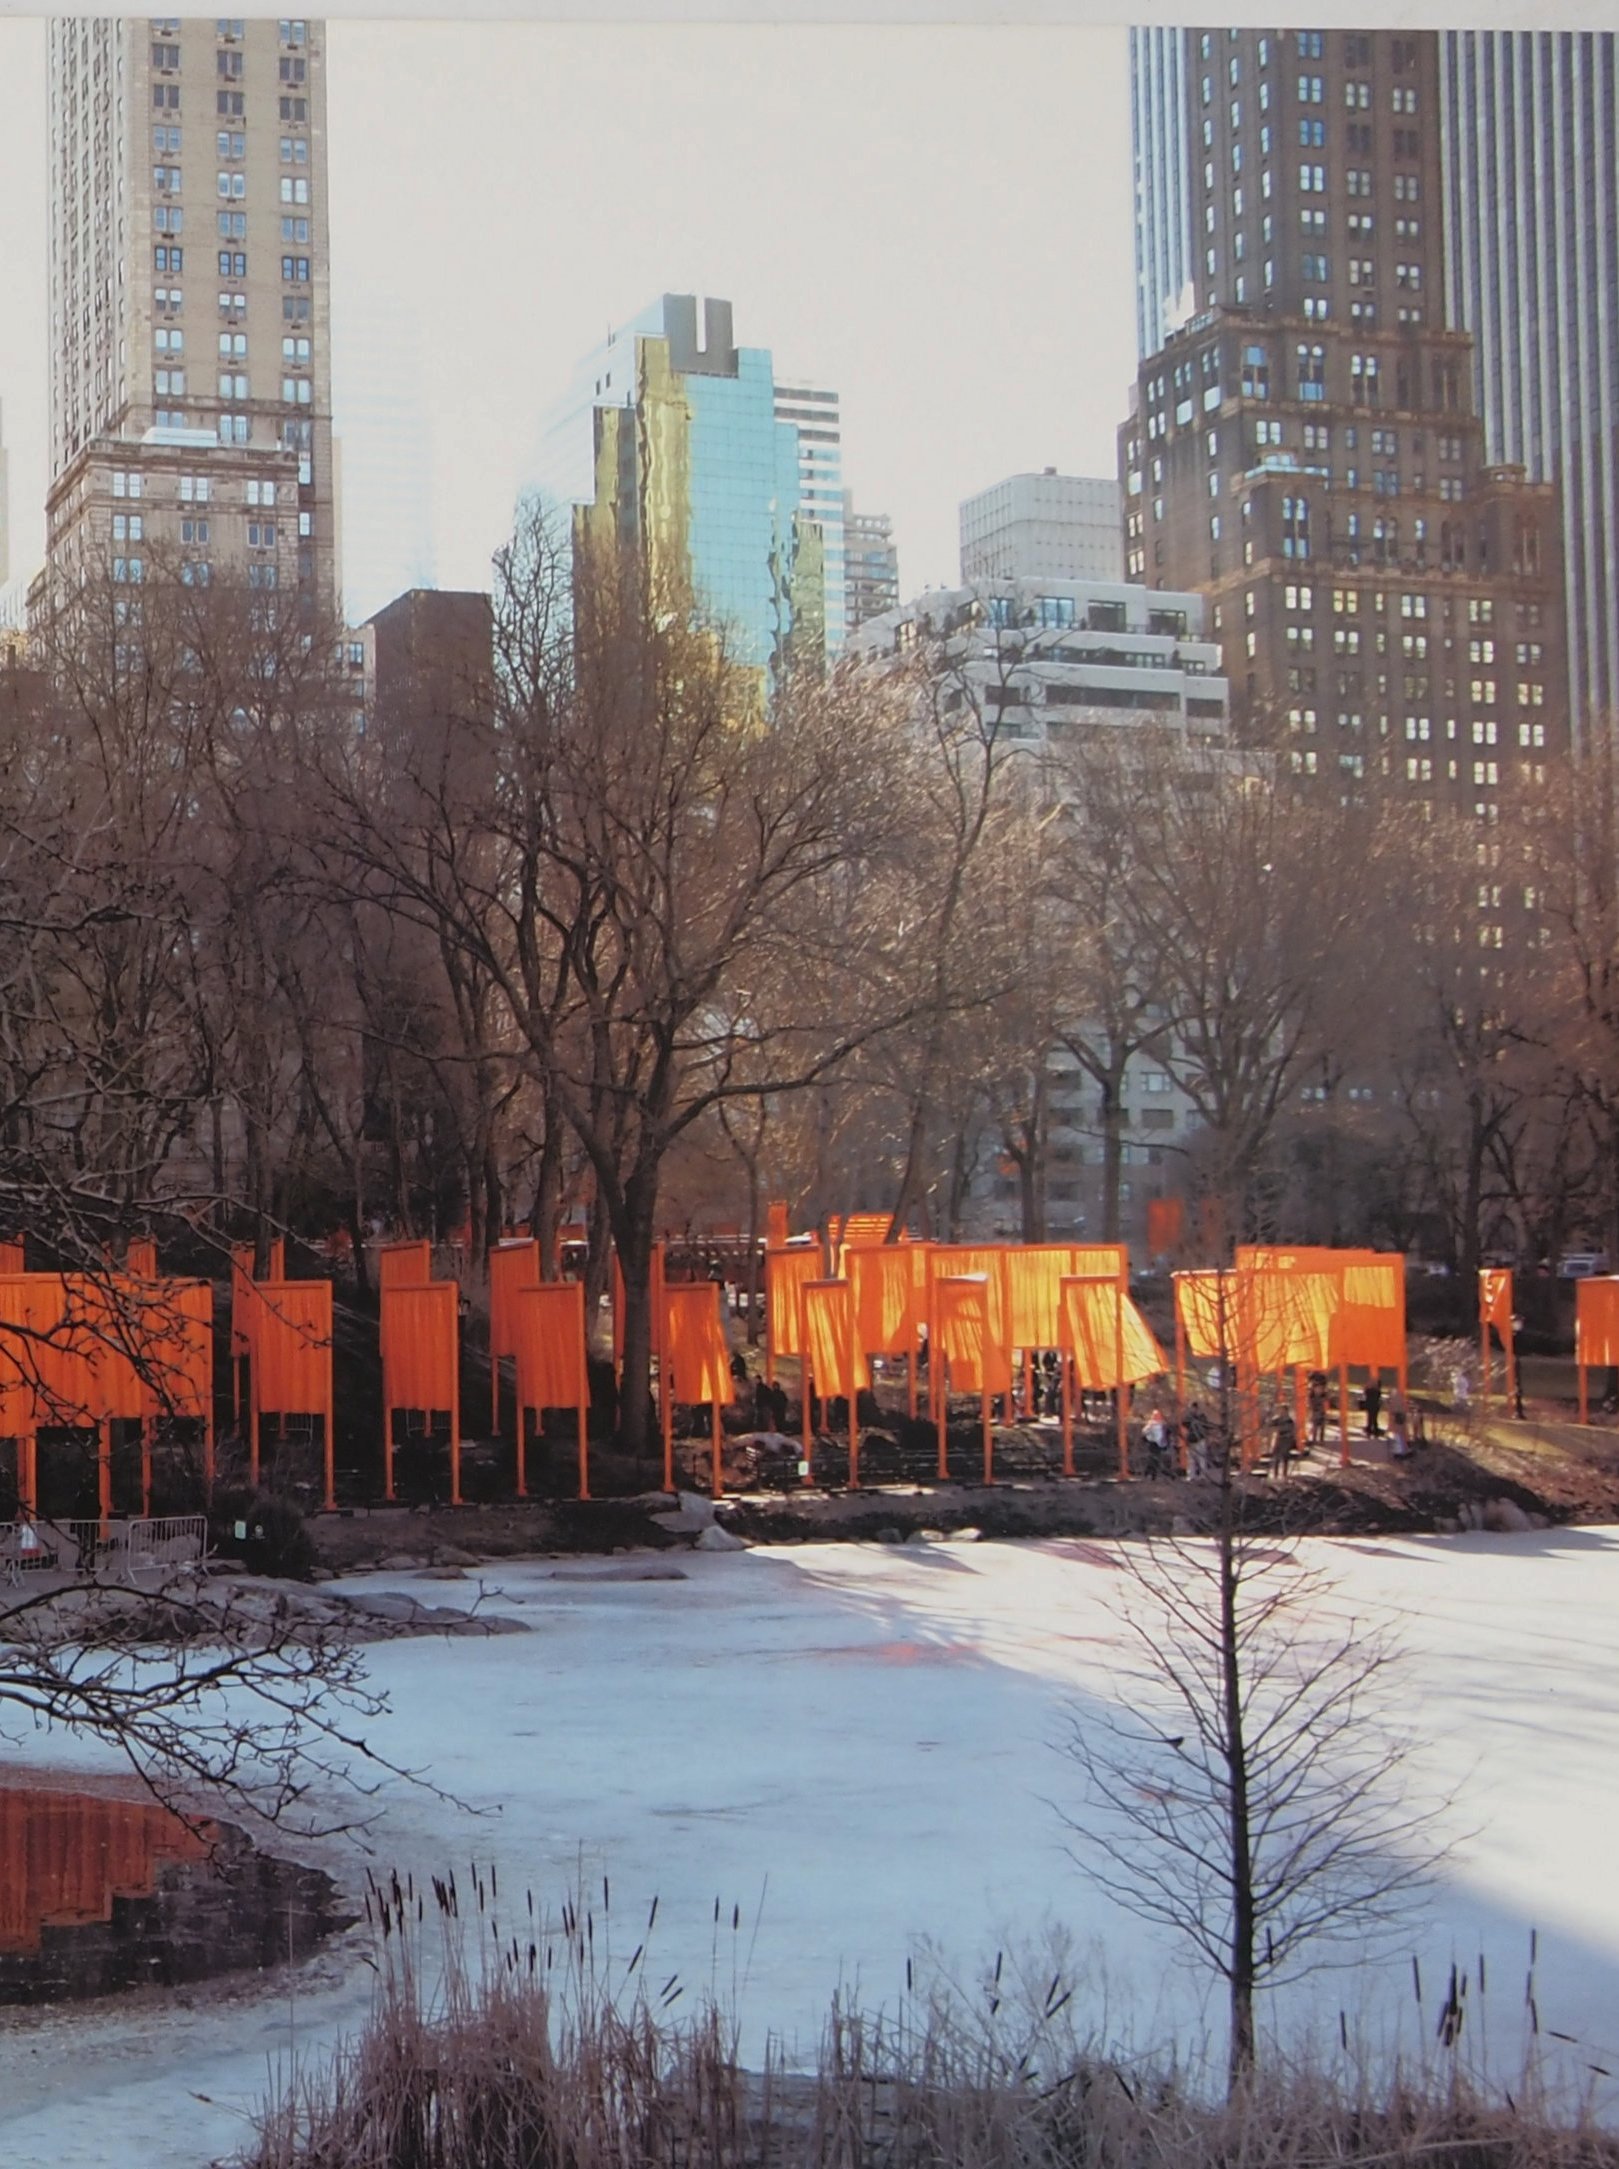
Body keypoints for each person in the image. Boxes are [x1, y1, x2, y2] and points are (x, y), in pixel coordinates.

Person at [1142, 1406, 1170, 1480]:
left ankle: (1150, 1473)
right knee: (1154, 1459)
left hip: (1156, 1444)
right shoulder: (1154, 1424)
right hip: (1154, 1444)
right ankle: (1150, 1474)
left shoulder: (1159, 1425)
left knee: (1154, 1459)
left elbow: (1145, 1432)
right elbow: (1145, 1432)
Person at [1270, 1407, 1298, 1479]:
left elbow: (1291, 1431)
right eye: (1280, 1410)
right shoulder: (1277, 1419)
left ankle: (1284, 1475)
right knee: (1276, 1457)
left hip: (1286, 1440)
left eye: (1283, 1410)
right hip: (1278, 1439)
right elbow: (1270, 1425)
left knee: (1285, 1457)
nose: (1281, 1412)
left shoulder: (1289, 1421)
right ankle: (1275, 1475)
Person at [1184, 1403, 1210, 1479]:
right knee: (1191, 1460)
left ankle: (1203, 1476)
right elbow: (1184, 1422)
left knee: (1201, 1459)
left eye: (1194, 1408)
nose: (1193, 1410)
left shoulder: (1202, 1417)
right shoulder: (1189, 1417)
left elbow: (1205, 1426)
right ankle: (1191, 1475)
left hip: (1200, 1440)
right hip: (1191, 1440)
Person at [1306, 1370, 1329, 1452]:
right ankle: (1315, 1439)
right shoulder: (1312, 1395)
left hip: (1321, 1410)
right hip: (1315, 1410)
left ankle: (1321, 1439)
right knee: (1315, 1425)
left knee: (1322, 1425)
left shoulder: (1323, 1394)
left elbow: (1325, 1401)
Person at [1362, 1371, 1383, 1440]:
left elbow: (1365, 1391)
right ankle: (1375, 1429)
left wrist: (1367, 1386)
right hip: (1375, 1406)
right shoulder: (1377, 1392)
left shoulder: (1369, 1391)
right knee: (1374, 1418)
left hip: (1370, 1405)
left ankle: (1369, 1429)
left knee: (1370, 1418)